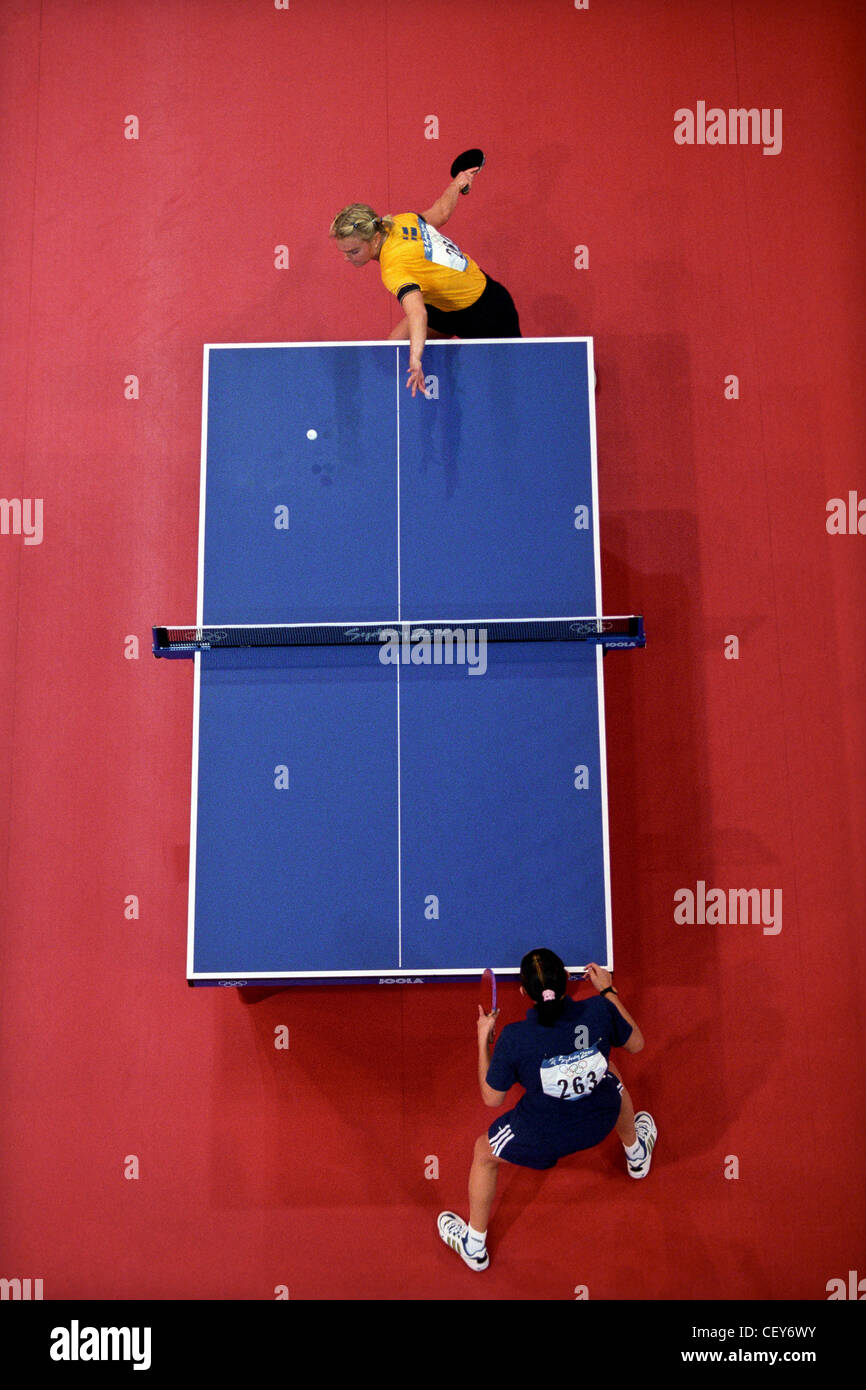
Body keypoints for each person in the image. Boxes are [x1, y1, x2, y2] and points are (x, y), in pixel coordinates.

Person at [437, 948, 657, 1272]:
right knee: (609, 1072)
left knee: (483, 1153)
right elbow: (636, 1044)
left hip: (543, 1136)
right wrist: (608, 992)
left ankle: (474, 1245)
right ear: (568, 980)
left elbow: (491, 1098)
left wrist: (483, 1040)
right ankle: (636, 1153)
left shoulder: (514, 1038)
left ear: (524, 993)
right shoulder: (599, 1009)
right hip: (600, 1117)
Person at [329, 163, 521, 399]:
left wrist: (415, 358)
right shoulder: (401, 221)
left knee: (507, 386)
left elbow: (418, 313)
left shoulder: (394, 267)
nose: (346, 258)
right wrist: (457, 184)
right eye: (344, 251)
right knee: (392, 351)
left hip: (487, 312)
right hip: (444, 305)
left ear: (375, 239)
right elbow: (441, 212)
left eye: (353, 251)